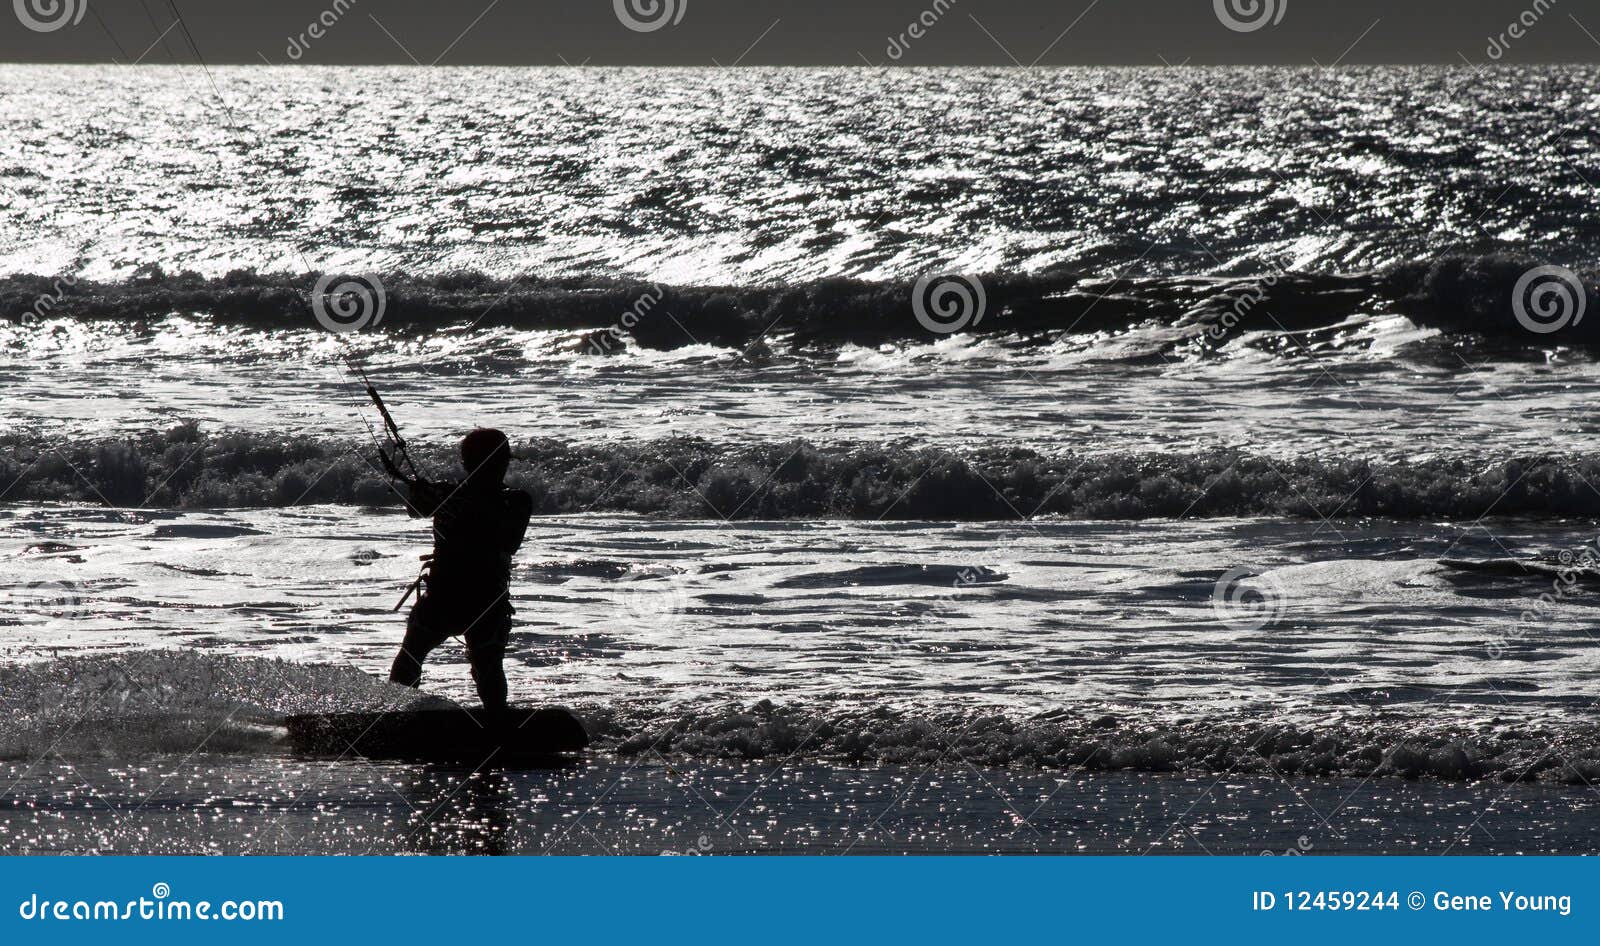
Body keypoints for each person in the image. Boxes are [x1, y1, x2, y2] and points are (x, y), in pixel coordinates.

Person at [383, 428, 533, 716]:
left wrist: (470, 508)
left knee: (487, 664)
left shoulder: (515, 500)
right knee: (411, 653)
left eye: (503, 462)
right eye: (496, 461)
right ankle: (395, 714)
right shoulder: (449, 494)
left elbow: (510, 542)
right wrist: (421, 493)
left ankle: (496, 721)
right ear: (470, 464)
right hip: (443, 595)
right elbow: (417, 509)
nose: (502, 467)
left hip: (486, 599)